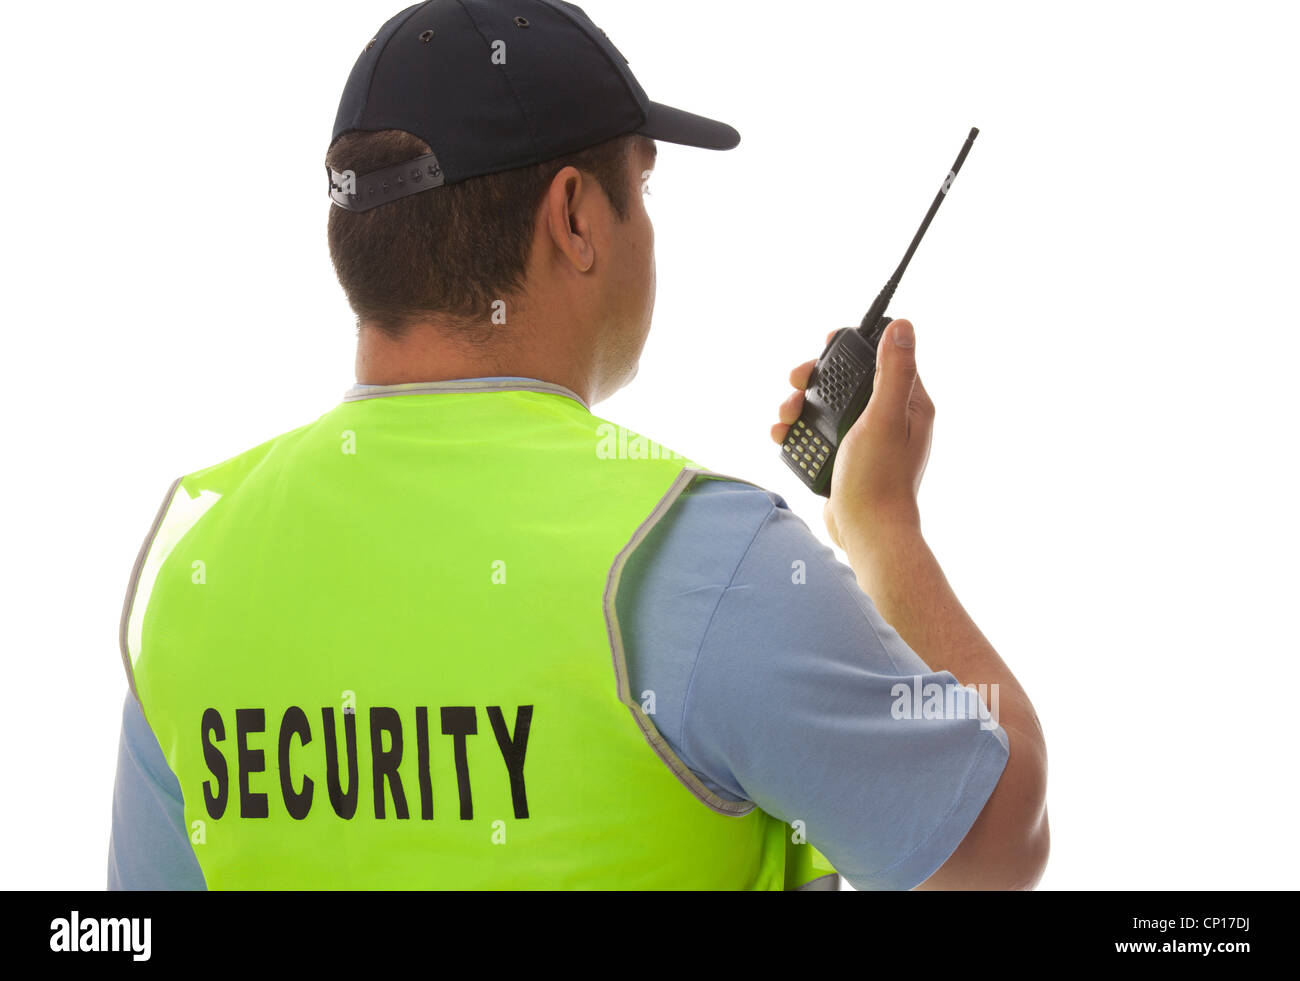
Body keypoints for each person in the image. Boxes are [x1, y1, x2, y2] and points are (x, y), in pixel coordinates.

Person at [109, 0, 1048, 890]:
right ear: (574, 218)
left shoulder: (196, 566)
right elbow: (997, 843)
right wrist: (881, 525)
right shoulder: (703, 562)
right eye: (643, 185)